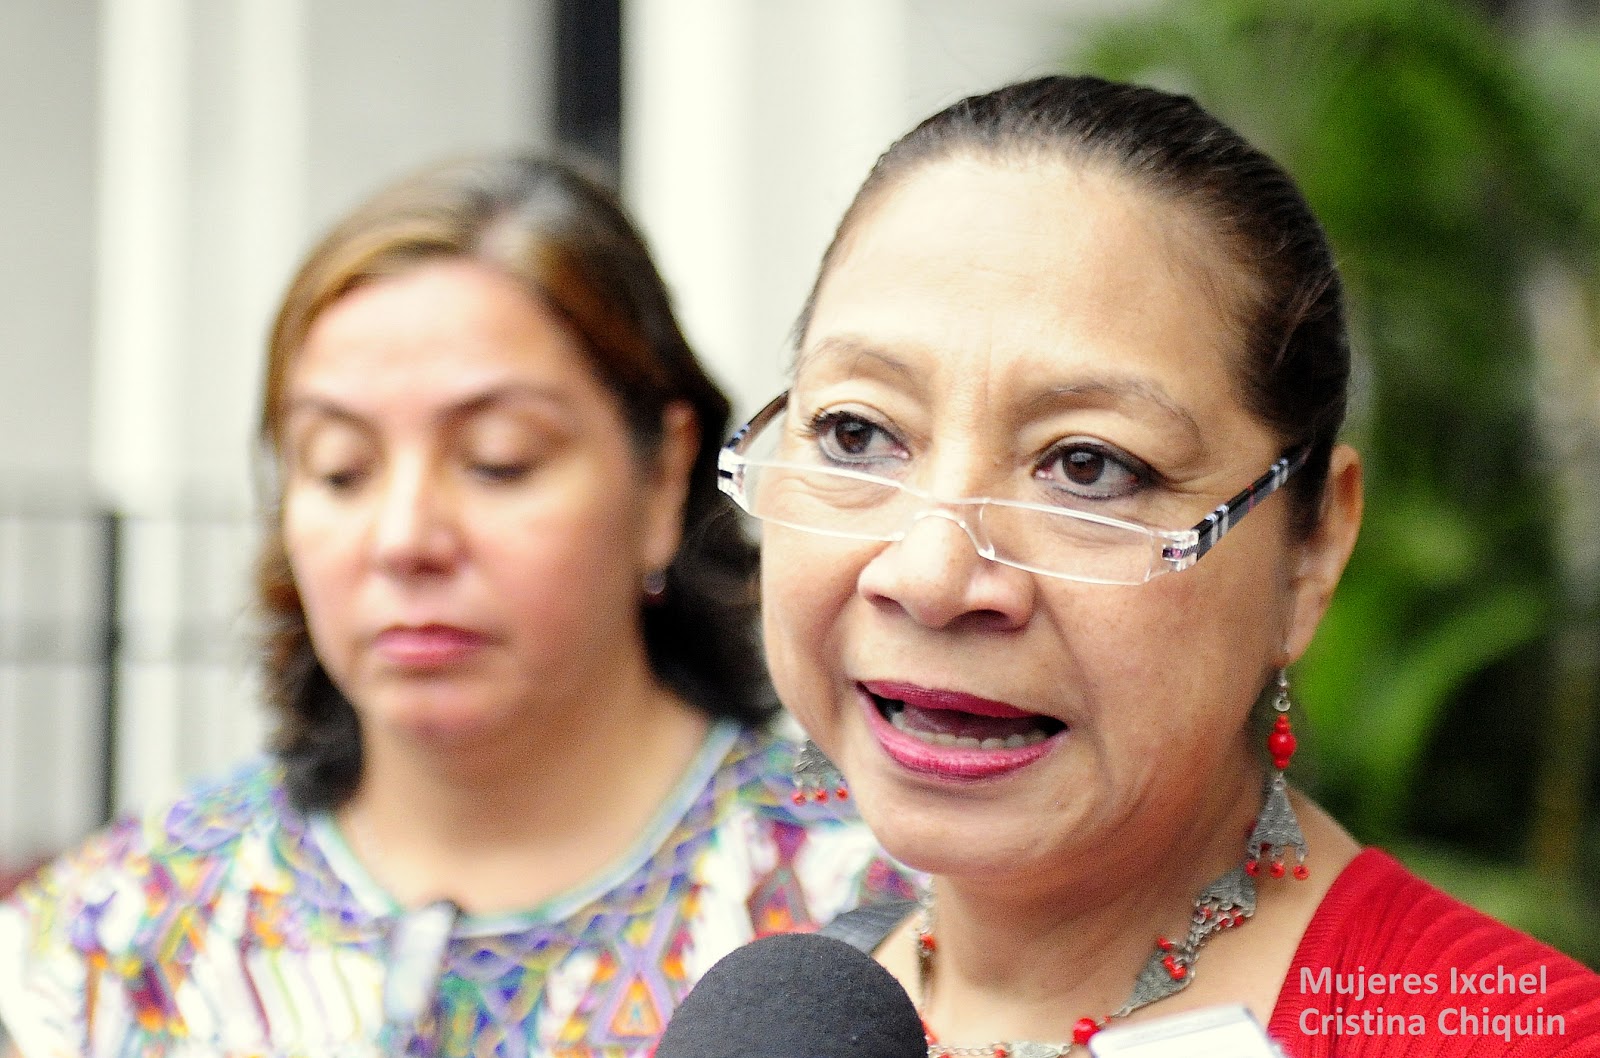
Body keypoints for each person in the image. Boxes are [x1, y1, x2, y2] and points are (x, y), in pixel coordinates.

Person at [716, 75, 1600, 1055]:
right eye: (855, 432)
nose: (926, 576)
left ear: (1310, 552)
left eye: (1088, 468)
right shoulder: (786, 1017)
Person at [0, 154, 913, 1057]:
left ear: (664, 477)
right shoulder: (113, 935)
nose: (405, 538)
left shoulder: (877, 914)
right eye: (339, 469)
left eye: (499, 459)